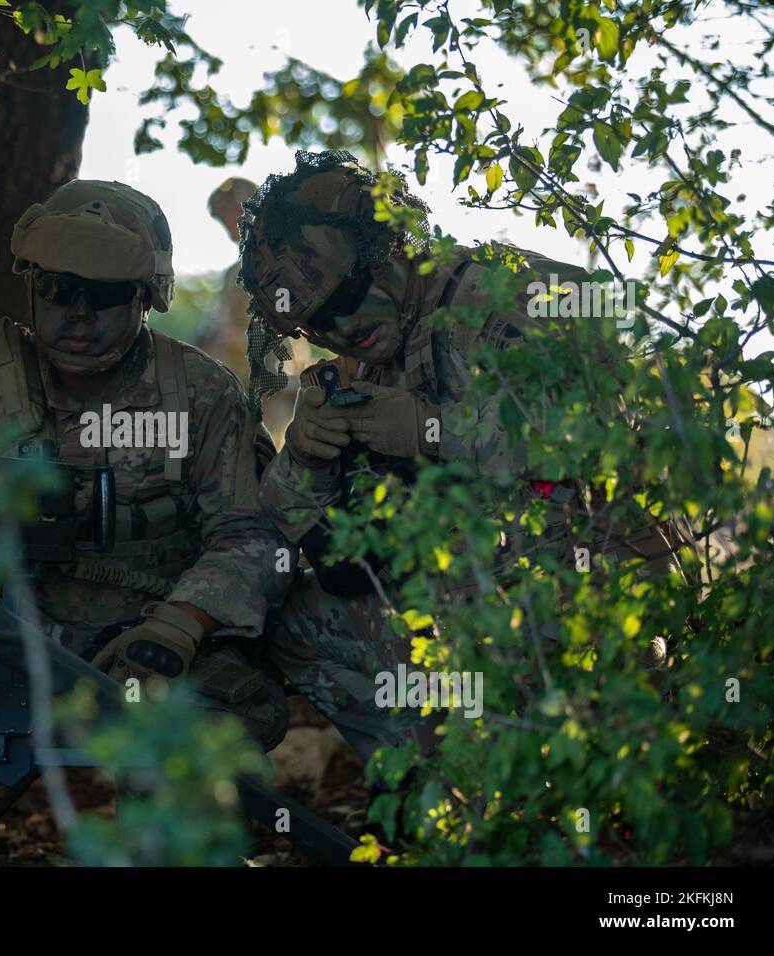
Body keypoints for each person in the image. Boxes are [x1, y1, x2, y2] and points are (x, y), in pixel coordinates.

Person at [0, 180, 292, 865]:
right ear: (31, 288)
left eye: (101, 296)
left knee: (222, 716)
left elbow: (252, 536)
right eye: (56, 290)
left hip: (152, 647)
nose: (76, 314)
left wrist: (179, 626)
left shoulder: (201, 396)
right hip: (1, 641)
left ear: (145, 297)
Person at [238, 150, 682, 756]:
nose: (339, 330)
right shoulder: (359, 359)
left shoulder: (522, 295)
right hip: (460, 614)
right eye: (314, 327)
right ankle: (432, 788)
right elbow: (287, 522)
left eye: (345, 299)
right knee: (296, 620)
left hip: (591, 599)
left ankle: (568, 773)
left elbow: (613, 447)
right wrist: (307, 457)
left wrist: (430, 429)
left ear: (388, 245)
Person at [196, 177, 311, 443]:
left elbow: (289, 327)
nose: (229, 224)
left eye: (232, 213)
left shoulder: (286, 264)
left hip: (277, 390)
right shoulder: (233, 275)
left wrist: (241, 338)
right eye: (223, 217)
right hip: (237, 390)